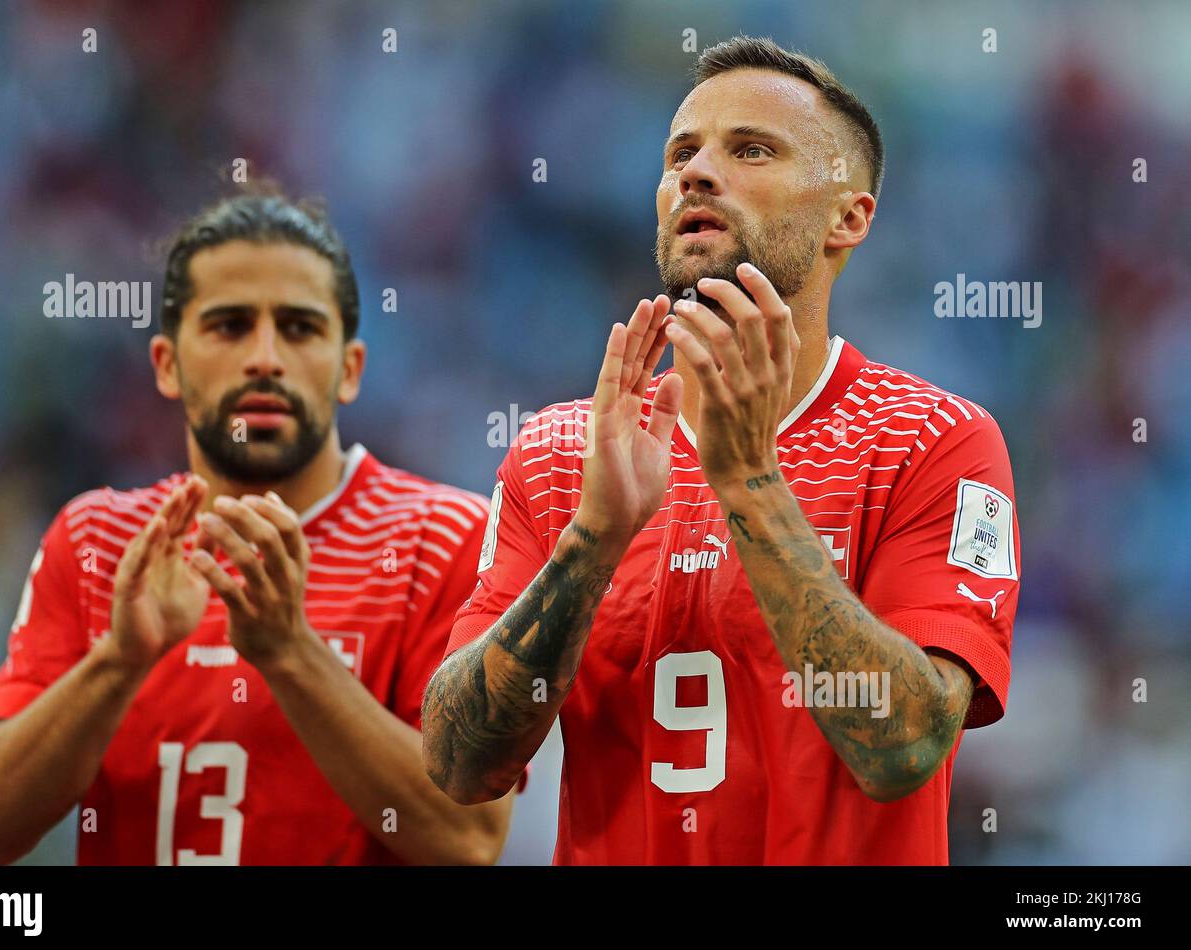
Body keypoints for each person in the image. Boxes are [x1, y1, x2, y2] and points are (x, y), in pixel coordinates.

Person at [422, 36, 1019, 864]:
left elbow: (903, 747)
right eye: (681, 156)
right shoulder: (565, 454)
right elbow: (457, 765)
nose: (697, 174)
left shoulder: (934, 441)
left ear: (848, 216)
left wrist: (750, 484)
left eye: (752, 151)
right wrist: (591, 541)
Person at [0, 190, 515, 865]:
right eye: (229, 325)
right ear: (167, 364)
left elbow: (469, 839)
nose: (264, 357)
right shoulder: (97, 540)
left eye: (299, 327)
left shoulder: (446, 538)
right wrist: (118, 660)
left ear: (350, 369)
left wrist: (289, 653)